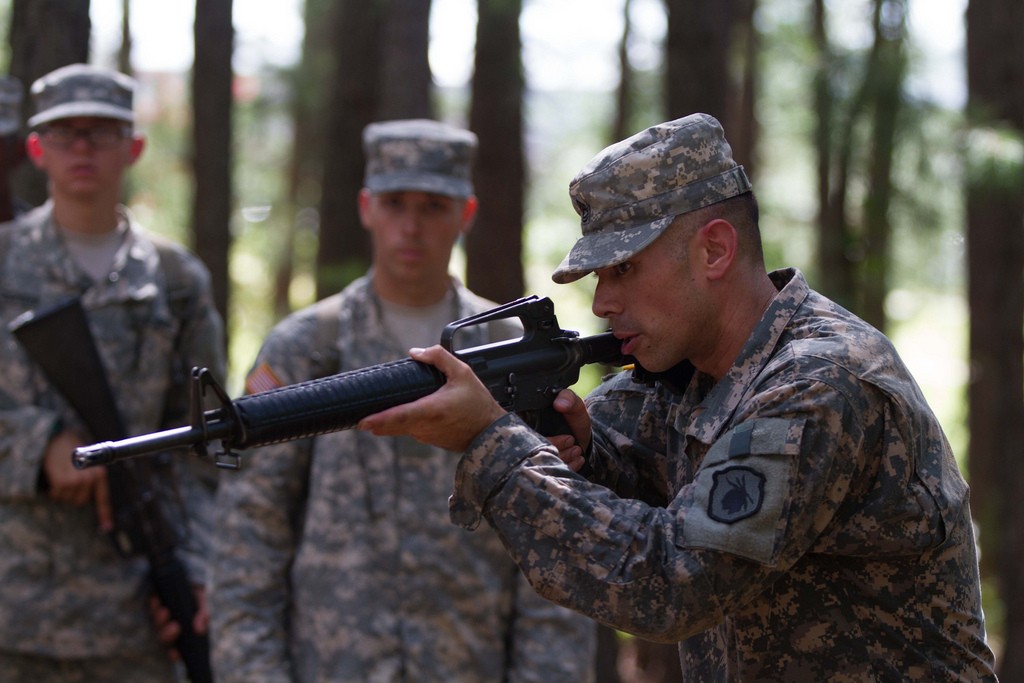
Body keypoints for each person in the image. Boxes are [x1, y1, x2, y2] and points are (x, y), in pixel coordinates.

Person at [358, 113, 1000, 680]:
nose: (602, 302)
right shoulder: (681, 371)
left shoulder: (818, 382)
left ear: (715, 250)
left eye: (624, 269)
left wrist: (492, 444)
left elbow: (670, 583)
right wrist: (585, 454)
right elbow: (627, 486)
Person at [207, 118, 597, 682]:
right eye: (395, 204)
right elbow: (250, 539)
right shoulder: (309, 348)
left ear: (465, 214)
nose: (410, 227)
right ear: (367, 208)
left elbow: (552, 540)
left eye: (434, 207)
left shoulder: (504, 352)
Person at [0, 64, 225, 681]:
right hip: (12, 605)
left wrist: (197, 568)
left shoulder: (176, 282)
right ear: (36, 149)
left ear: (133, 147)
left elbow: (205, 442)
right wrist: (37, 448)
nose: (81, 147)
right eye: (64, 132)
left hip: (136, 611)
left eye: (99, 132)